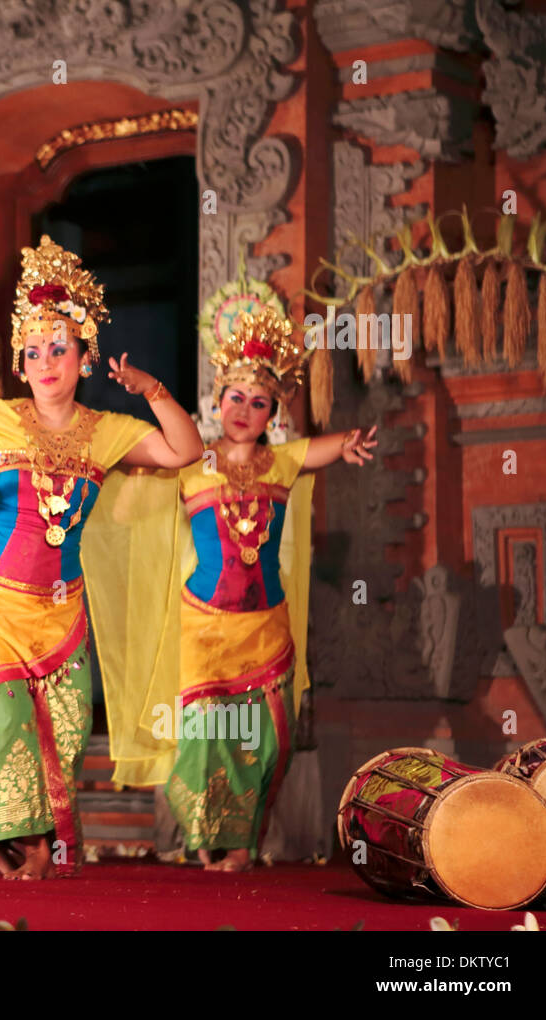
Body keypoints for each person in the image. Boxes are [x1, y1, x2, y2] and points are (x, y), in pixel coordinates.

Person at [0, 236, 203, 879]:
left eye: (60, 347)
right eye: (33, 351)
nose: (46, 360)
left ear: (84, 357)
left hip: (61, 610)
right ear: (20, 364)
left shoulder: (109, 432)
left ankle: (31, 850)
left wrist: (153, 390)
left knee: (60, 732)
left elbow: (184, 452)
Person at [166, 307, 378, 871]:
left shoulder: (282, 463)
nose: (244, 411)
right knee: (205, 740)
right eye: (235, 397)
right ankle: (206, 838)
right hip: (204, 627)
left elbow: (326, 447)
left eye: (259, 403)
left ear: (271, 414)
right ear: (217, 401)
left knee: (268, 742)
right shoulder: (191, 464)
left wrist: (351, 442)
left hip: (266, 626)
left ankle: (243, 844)